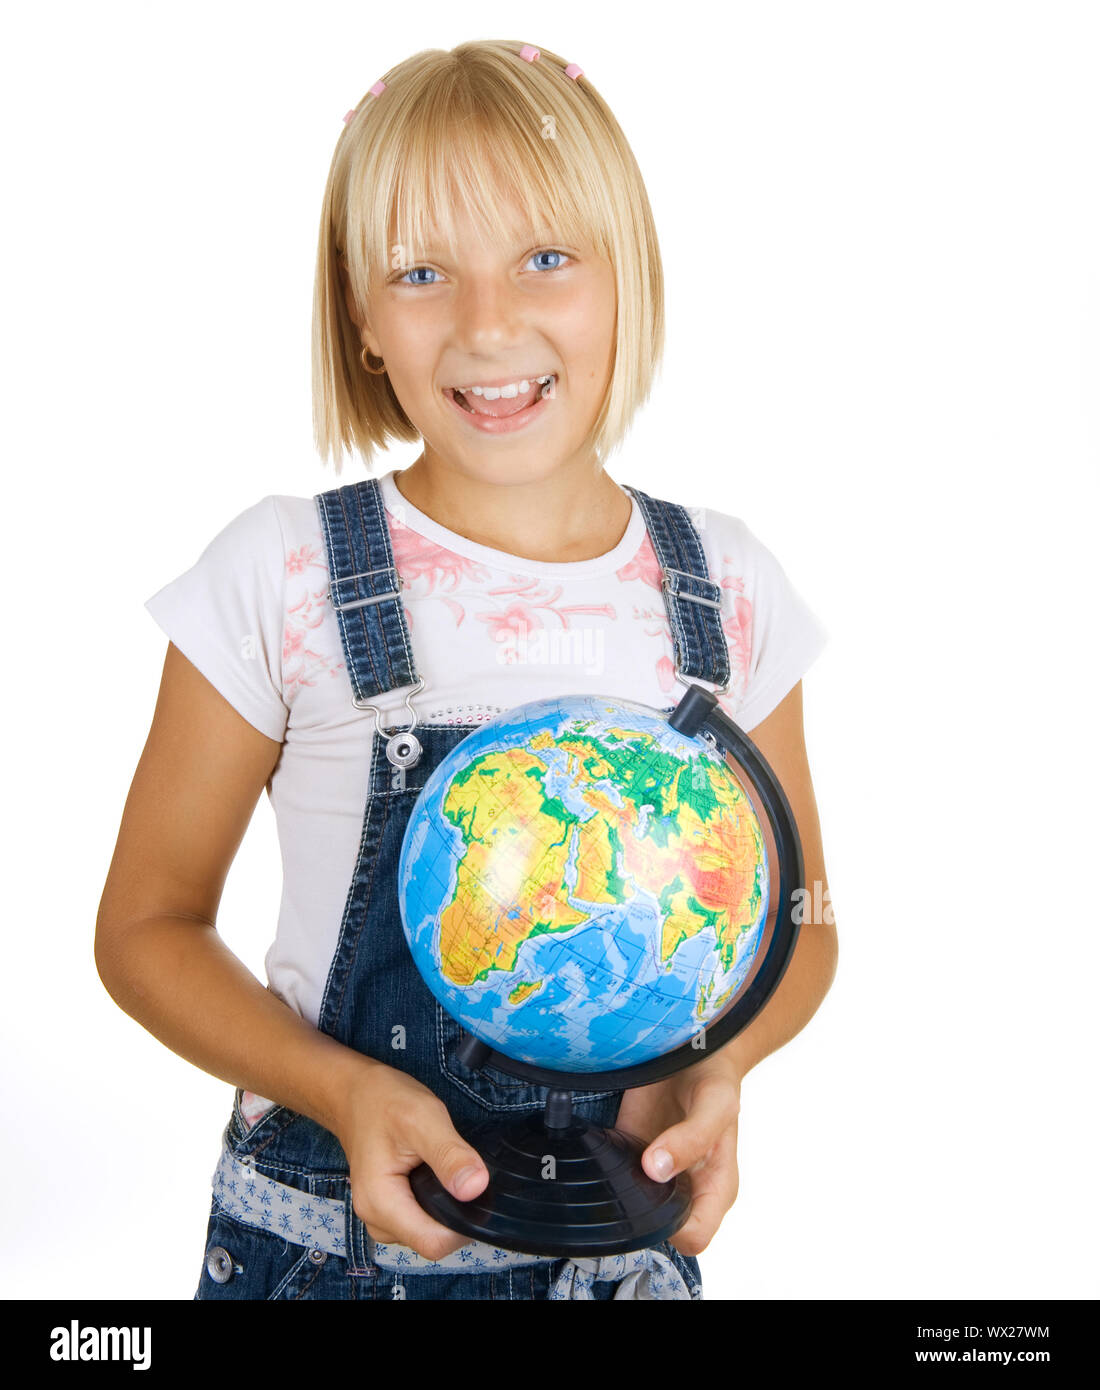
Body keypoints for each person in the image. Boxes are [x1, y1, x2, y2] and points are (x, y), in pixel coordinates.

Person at [95, 38, 838, 1302]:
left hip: (619, 1244)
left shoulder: (725, 584)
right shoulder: (283, 571)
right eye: (422, 271)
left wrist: (712, 1072)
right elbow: (144, 928)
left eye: (544, 257)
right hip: (330, 1251)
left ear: (628, 278)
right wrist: (341, 1086)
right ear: (362, 318)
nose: (488, 323)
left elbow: (801, 921)